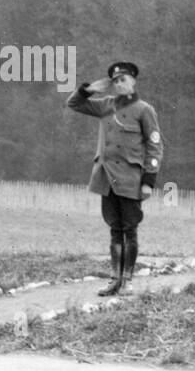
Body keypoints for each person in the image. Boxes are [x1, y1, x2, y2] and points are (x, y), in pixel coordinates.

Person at [66, 61, 163, 296]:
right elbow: (73, 103)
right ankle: (115, 279)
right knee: (114, 229)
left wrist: (149, 181)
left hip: (131, 179)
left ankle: (128, 280)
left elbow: (155, 146)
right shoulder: (106, 106)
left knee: (130, 229)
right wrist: (88, 90)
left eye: (124, 80)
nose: (120, 84)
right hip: (107, 178)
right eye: (116, 81)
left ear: (133, 82)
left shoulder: (144, 110)